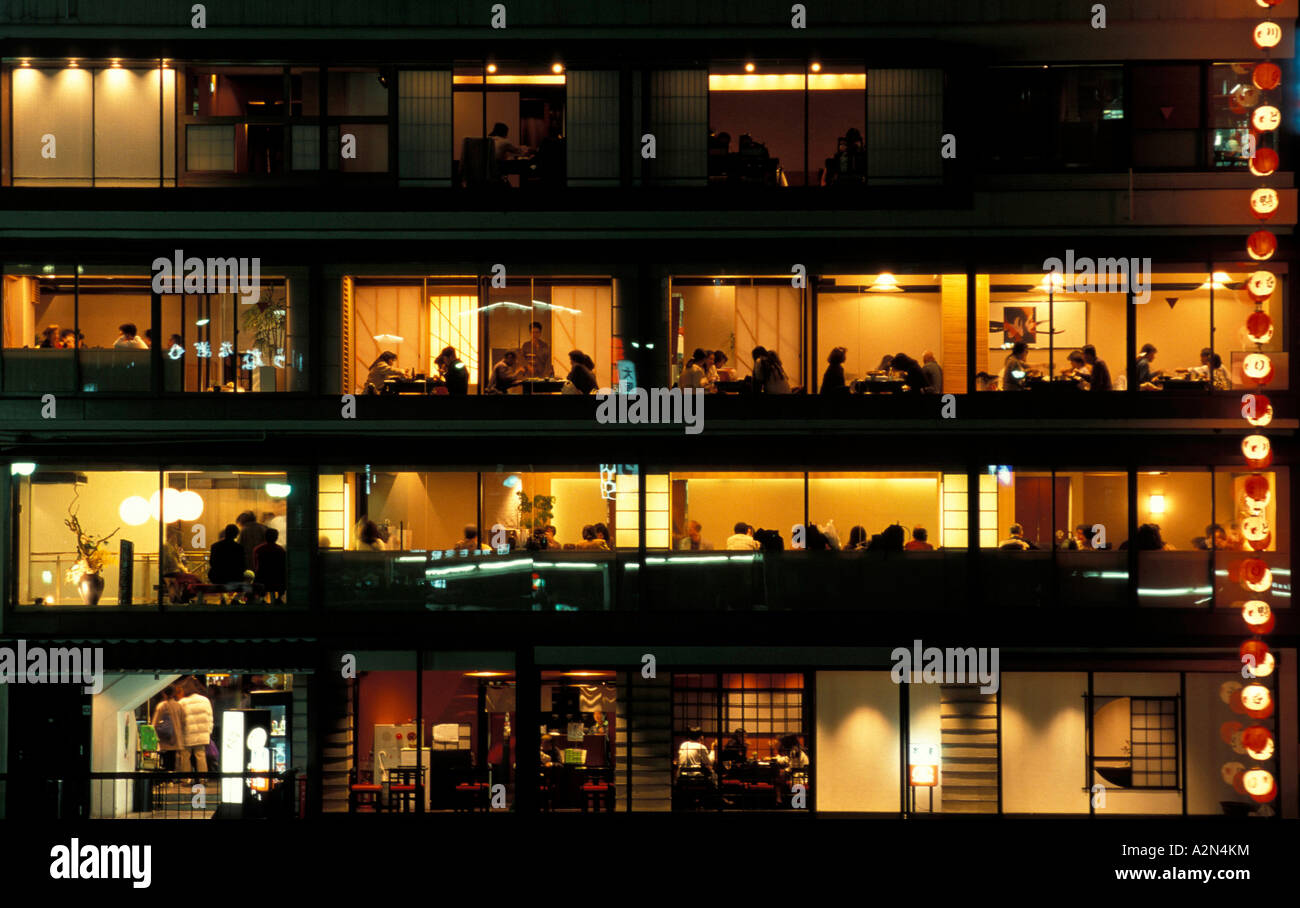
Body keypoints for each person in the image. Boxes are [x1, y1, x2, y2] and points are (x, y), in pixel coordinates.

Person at [177, 680, 213, 773]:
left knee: (185, 756)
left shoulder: (182, 702)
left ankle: (186, 778)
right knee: (201, 755)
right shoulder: (205, 700)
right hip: (202, 734)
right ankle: (203, 778)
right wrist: (208, 731)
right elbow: (210, 717)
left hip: (187, 734)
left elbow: (180, 720)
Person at [151, 685, 187, 771]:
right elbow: (184, 722)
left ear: (164, 693)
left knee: (165, 762)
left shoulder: (161, 706)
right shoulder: (179, 705)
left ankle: (166, 781)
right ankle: (172, 780)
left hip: (165, 740)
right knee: (173, 761)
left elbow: (154, 724)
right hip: (176, 739)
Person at [252, 527, 287, 603]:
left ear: (265, 537)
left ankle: (261, 599)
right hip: (277, 578)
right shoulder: (280, 550)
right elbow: (283, 566)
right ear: (276, 537)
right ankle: (279, 598)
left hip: (262, 577)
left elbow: (255, 566)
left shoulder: (258, 549)